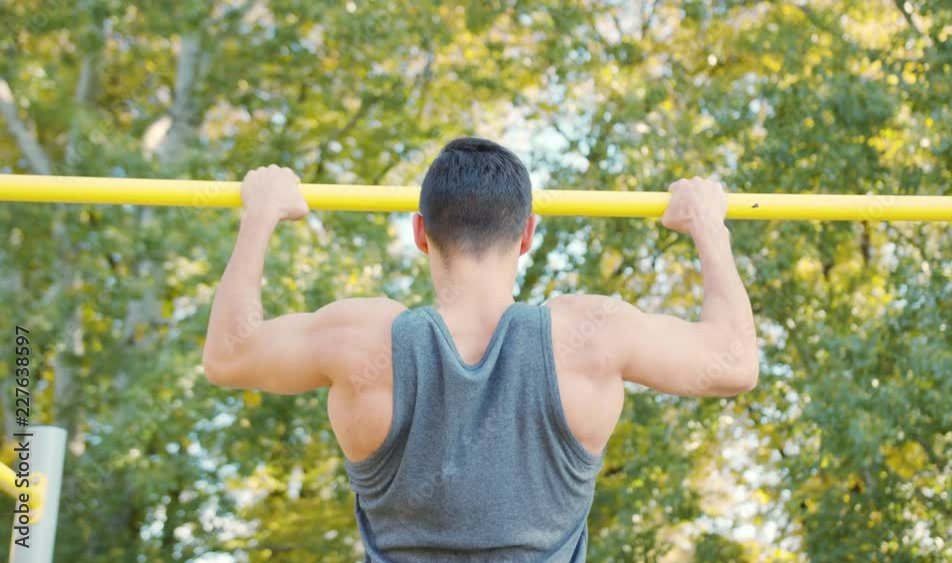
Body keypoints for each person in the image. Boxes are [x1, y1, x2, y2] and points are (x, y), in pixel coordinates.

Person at [202, 137, 758, 562]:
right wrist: (708, 227)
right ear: (526, 236)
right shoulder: (591, 335)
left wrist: (260, 215)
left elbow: (229, 356)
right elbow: (734, 363)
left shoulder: (361, 340)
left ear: (420, 232)